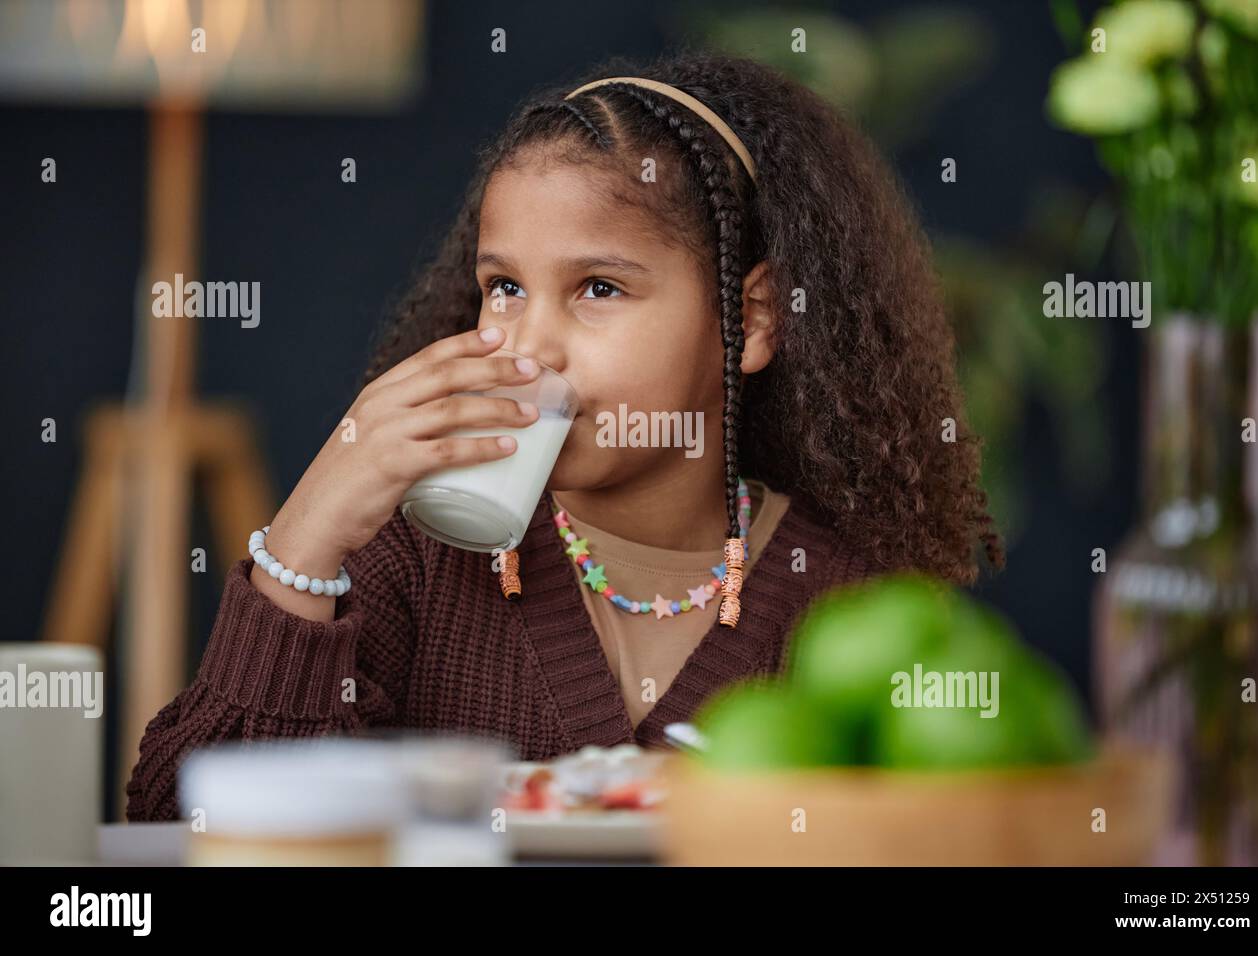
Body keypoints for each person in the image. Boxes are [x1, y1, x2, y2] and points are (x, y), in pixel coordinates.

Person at [125, 51, 1001, 822]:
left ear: (754, 317)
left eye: (599, 289)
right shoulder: (410, 559)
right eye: (503, 286)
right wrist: (305, 537)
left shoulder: (849, 600)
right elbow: (185, 822)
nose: (528, 344)